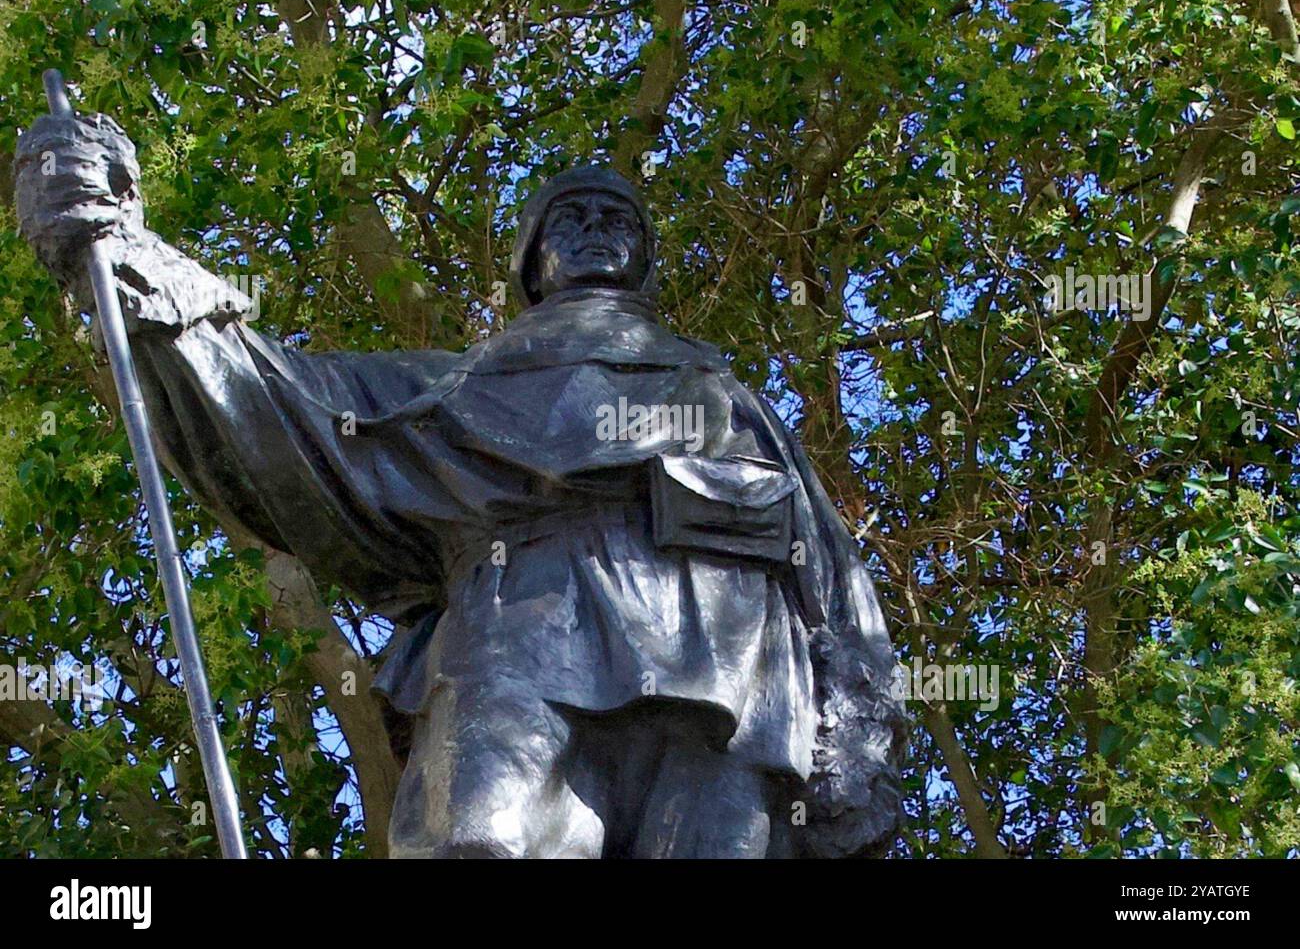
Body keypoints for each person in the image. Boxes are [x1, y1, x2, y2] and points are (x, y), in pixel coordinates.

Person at [14, 109, 906, 858]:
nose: (598, 228)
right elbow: (282, 402)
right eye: (571, 218)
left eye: (618, 218)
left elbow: (828, 573)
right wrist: (117, 251)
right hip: (520, 640)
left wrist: (858, 732)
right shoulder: (447, 392)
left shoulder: (729, 395)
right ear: (529, 260)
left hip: (731, 670)